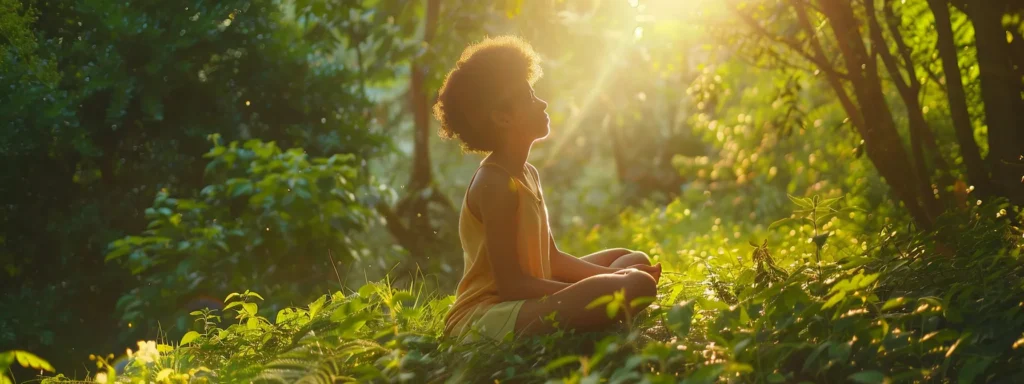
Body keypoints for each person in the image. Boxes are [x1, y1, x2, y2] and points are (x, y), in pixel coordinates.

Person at [433, 35, 662, 343]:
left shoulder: (527, 173)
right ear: (503, 117)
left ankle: (614, 290)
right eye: (529, 97)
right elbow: (512, 286)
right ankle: (611, 297)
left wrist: (611, 277)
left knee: (630, 259)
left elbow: (550, 258)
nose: (541, 103)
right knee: (638, 285)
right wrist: (609, 284)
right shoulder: (494, 183)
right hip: (490, 317)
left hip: (526, 298)